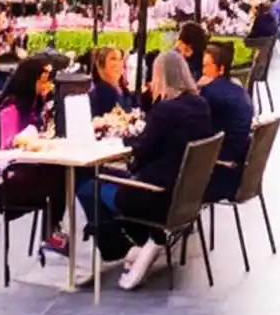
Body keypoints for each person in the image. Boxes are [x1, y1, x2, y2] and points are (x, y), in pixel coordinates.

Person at [79, 51, 215, 290]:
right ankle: (134, 244)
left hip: (155, 196)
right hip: (185, 195)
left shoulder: (165, 111)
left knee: (88, 185)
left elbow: (142, 152)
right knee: (107, 178)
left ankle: (121, 249)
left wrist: (128, 158)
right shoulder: (200, 106)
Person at [0, 58, 68, 263]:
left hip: (15, 170)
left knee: (63, 173)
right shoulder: (11, 106)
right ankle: (52, 233)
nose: (46, 86)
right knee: (59, 175)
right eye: (42, 81)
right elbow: (10, 144)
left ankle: (53, 231)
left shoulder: (32, 104)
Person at [199, 42, 254, 201]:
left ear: (221, 69)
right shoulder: (240, 90)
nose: (203, 71)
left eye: (206, 66)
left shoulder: (210, 94)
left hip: (220, 174)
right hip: (240, 171)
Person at [89, 45, 133, 117]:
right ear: (101, 65)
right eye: (113, 59)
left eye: (120, 59)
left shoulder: (122, 89)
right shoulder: (101, 91)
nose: (118, 63)